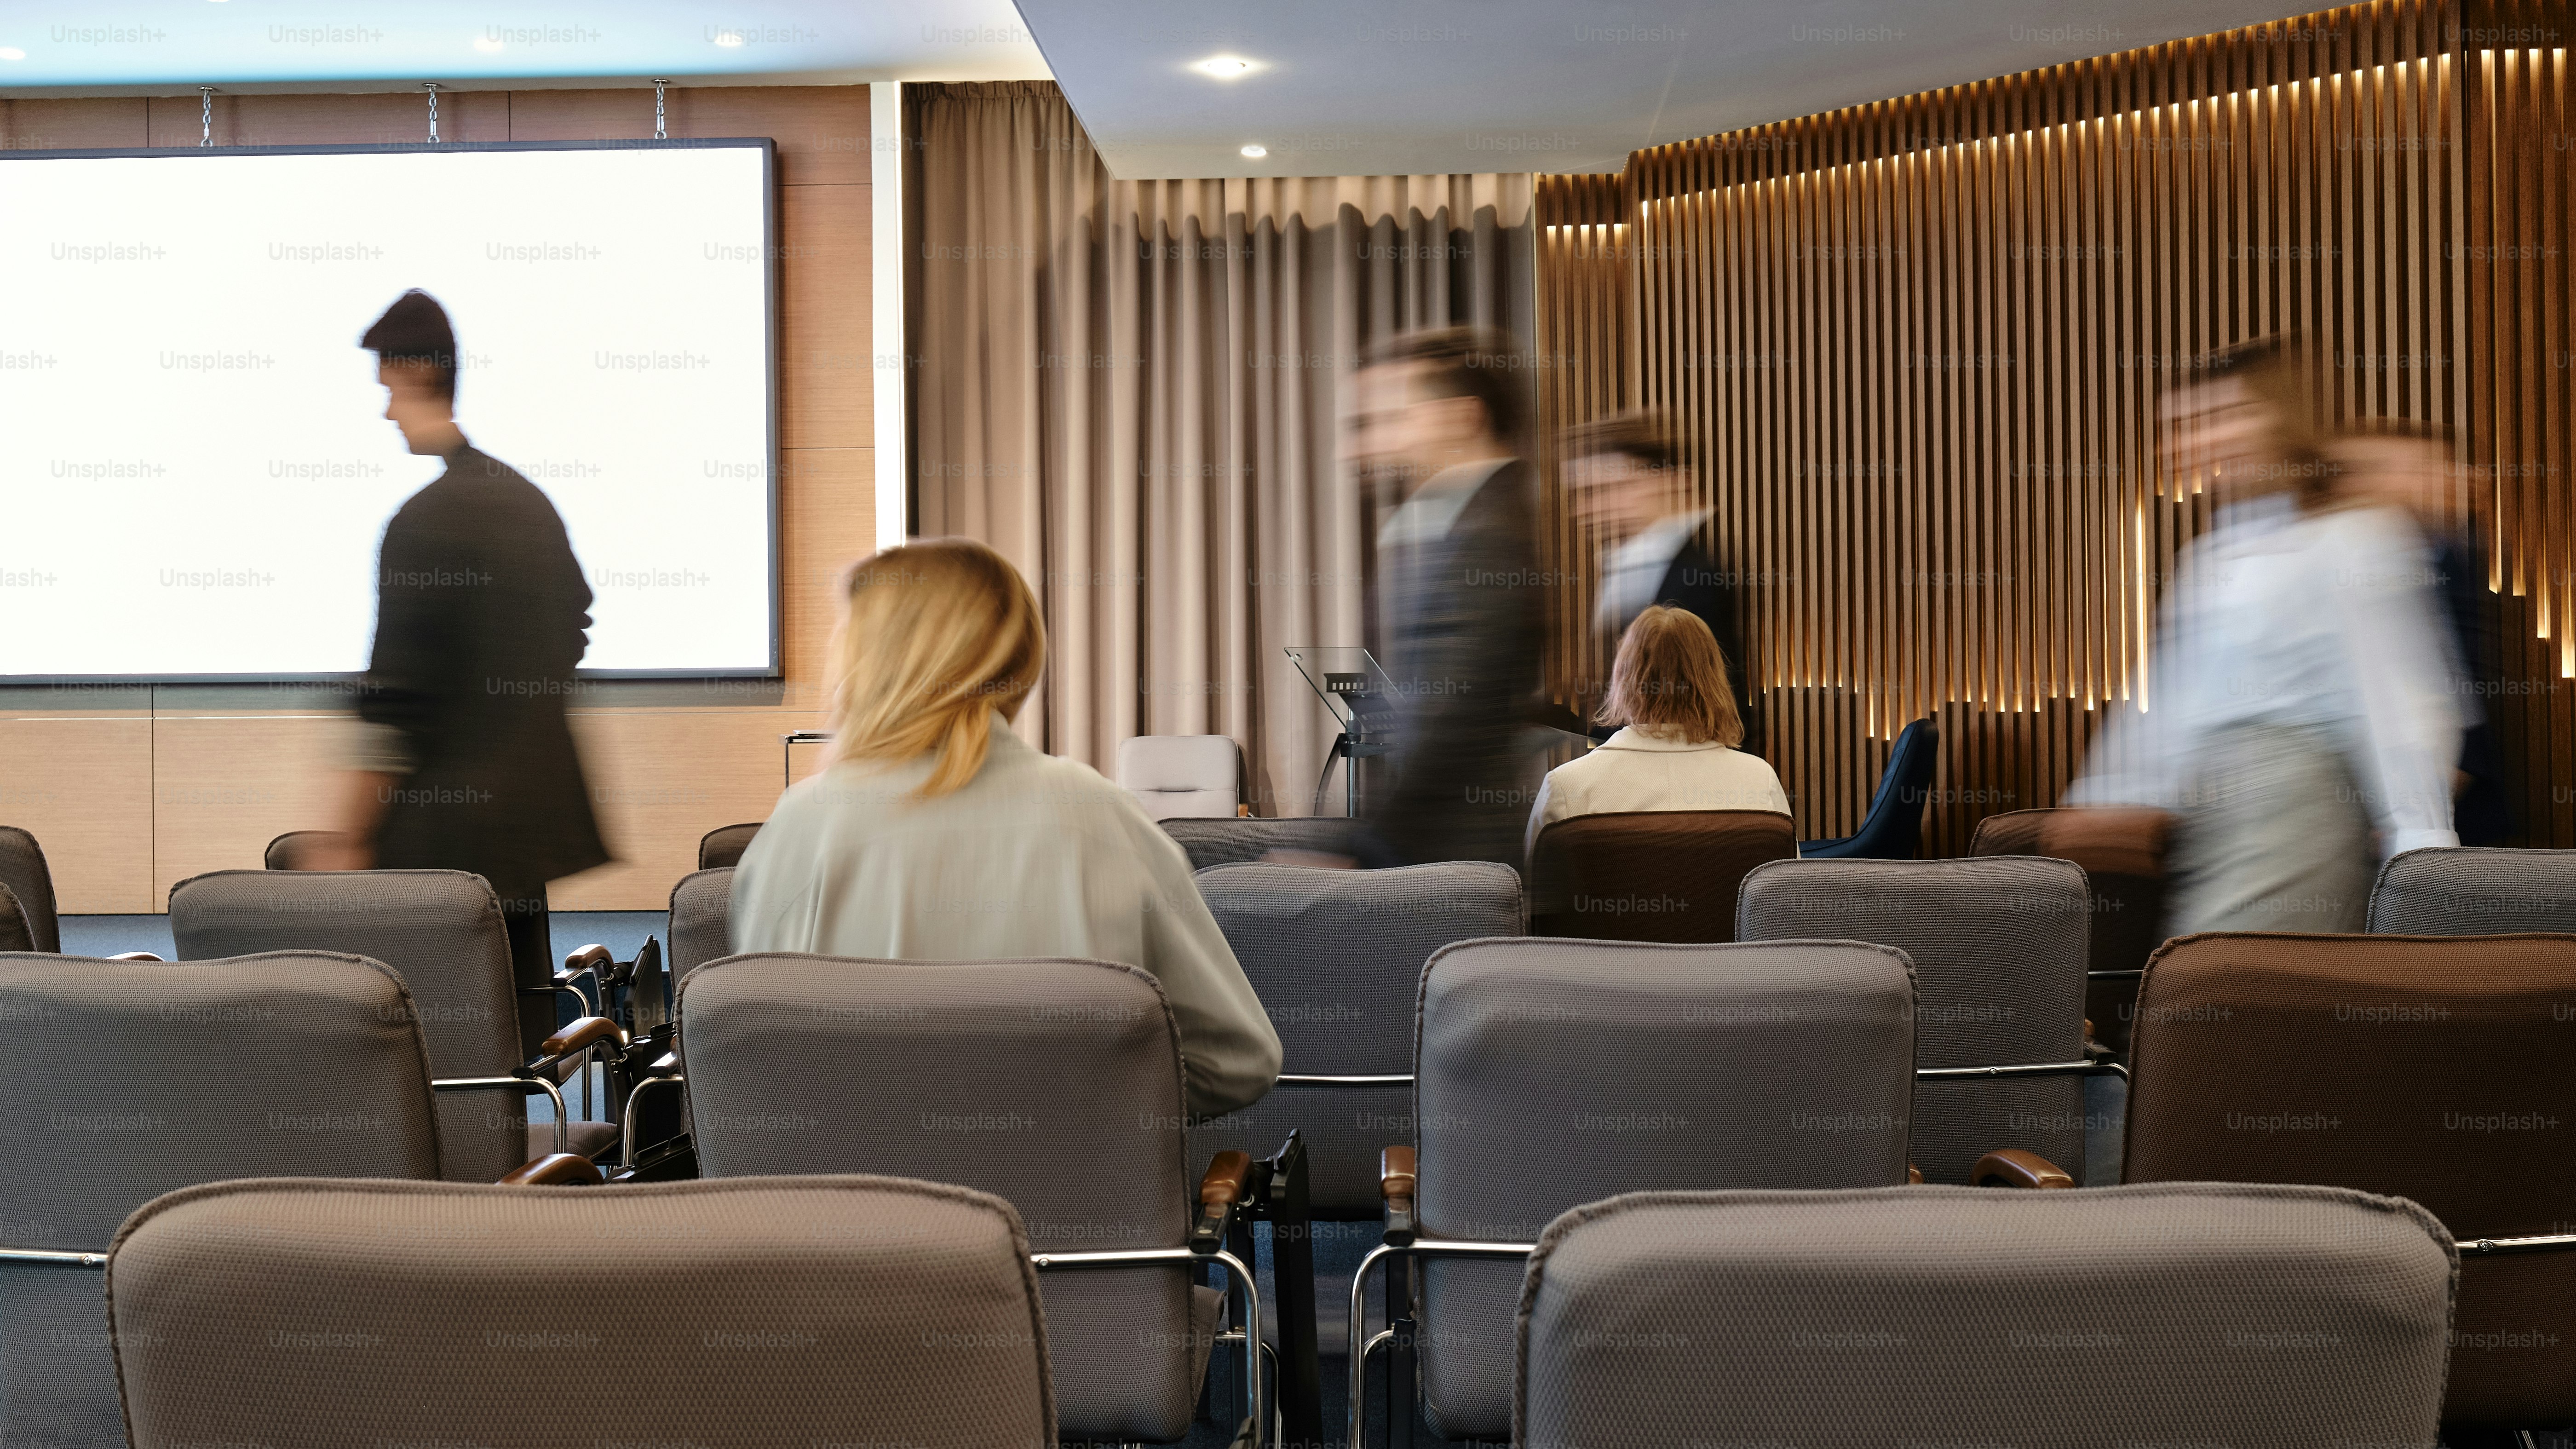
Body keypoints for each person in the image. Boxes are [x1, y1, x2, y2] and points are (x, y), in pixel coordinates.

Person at [728, 538, 1281, 1118]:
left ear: (860, 663)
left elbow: (757, 1068)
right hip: (1070, 1206)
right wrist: (1103, 1113)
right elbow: (1238, 1061)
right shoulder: (1100, 816)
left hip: (847, 1206)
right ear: (1017, 661)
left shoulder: (796, 830)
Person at [2057, 338, 2461, 935]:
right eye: (2187, 425)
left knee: (2234, 989)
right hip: (2214, 815)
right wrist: (2112, 794)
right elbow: (2174, 699)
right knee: (2213, 990)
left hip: (2294, 807)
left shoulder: (2354, 536)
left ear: (2281, 417)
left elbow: (2398, 705)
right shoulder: (2213, 552)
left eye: (2224, 418)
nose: (2202, 441)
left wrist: (2420, 848)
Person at [311, 290, 609, 1056]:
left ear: (414, 372)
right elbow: (576, 618)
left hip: (440, 850)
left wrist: (344, 841)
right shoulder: (526, 500)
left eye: (386, 387)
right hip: (518, 837)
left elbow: (395, 707)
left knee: (430, 1060)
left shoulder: (423, 523)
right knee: (510, 1047)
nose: (385, 411)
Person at [1340, 326, 1546, 868]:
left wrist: (1355, 849)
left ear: (1461, 417)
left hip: (1454, 861)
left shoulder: (1490, 534)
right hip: (1428, 853)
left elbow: (1450, 722)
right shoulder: (1441, 520)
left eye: (1388, 419)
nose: (1358, 448)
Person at [2328, 421, 2513, 845]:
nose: (2357, 483)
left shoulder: (2453, 571)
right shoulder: (2358, 570)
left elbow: (2462, 712)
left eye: (2381, 468)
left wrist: (2399, 822)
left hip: (2430, 836)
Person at [1524, 605, 1788, 862]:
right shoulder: (1758, 781)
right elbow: (1781, 895)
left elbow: (1533, 898)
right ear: (1713, 681)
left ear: (1624, 679)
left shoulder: (1566, 788)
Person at [1561, 411, 1758, 750]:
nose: (1585, 509)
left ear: (1666, 481)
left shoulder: (1697, 578)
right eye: (1583, 494)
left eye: (1606, 489)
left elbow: (1709, 716)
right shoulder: (1629, 568)